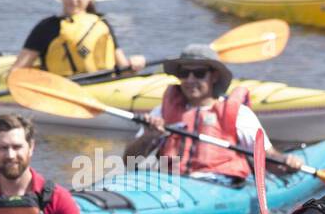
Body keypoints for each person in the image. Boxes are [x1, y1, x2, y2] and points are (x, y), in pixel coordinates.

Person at [124, 45, 302, 179]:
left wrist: (285, 162)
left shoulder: (239, 114)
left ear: (214, 76)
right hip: (173, 183)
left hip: (219, 184)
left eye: (199, 73)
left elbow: (267, 158)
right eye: (185, 73)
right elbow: (129, 161)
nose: (190, 80)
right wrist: (148, 136)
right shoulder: (161, 113)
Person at [11, 0, 146, 76]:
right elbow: (16, 72)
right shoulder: (47, 28)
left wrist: (135, 64)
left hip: (105, 86)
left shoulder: (102, 24)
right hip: (63, 89)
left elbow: (124, 70)